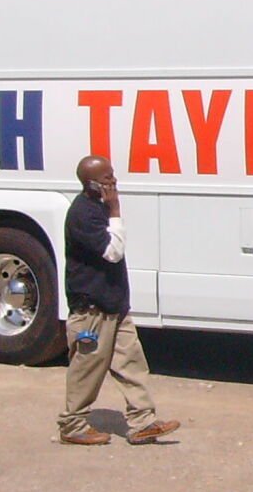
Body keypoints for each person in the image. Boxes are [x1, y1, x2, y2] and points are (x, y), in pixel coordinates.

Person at [59, 155, 180, 446]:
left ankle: (142, 422)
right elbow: (113, 251)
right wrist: (115, 210)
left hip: (114, 305)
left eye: (113, 176)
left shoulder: (97, 208)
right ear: (89, 184)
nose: (113, 183)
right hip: (92, 311)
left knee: (132, 364)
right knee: (87, 368)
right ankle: (72, 424)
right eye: (106, 179)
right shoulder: (82, 214)